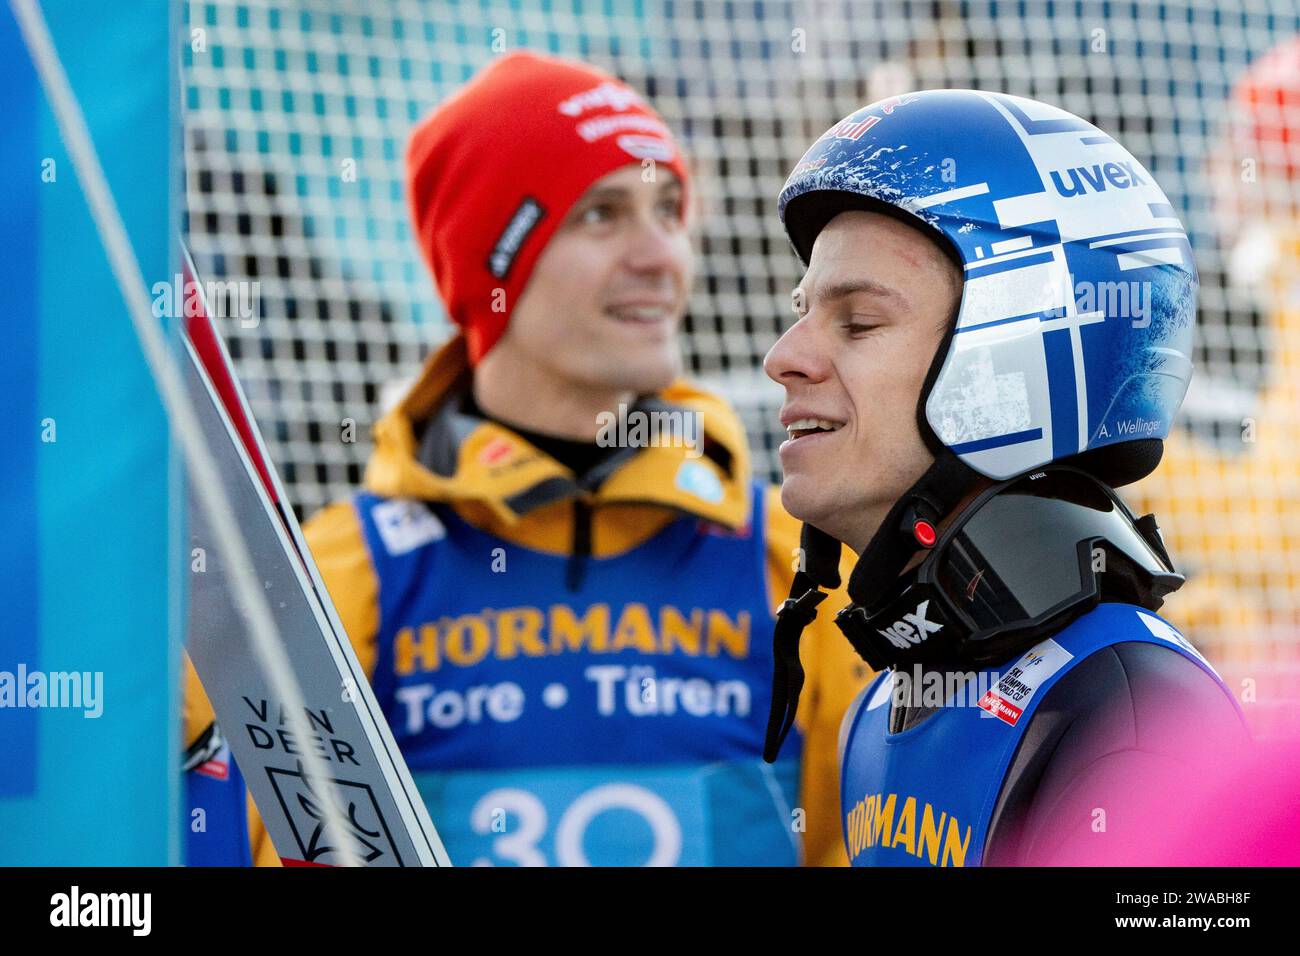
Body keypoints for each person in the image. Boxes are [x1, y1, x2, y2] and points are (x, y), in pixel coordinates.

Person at [182, 50, 865, 867]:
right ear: (492, 265)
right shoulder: (338, 580)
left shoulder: (801, 567)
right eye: (602, 214)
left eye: (669, 209)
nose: (662, 256)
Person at [760, 89, 1252, 866]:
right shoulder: (885, 703)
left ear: (1016, 361)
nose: (783, 356)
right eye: (801, 310)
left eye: (856, 322)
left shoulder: (1133, 720)